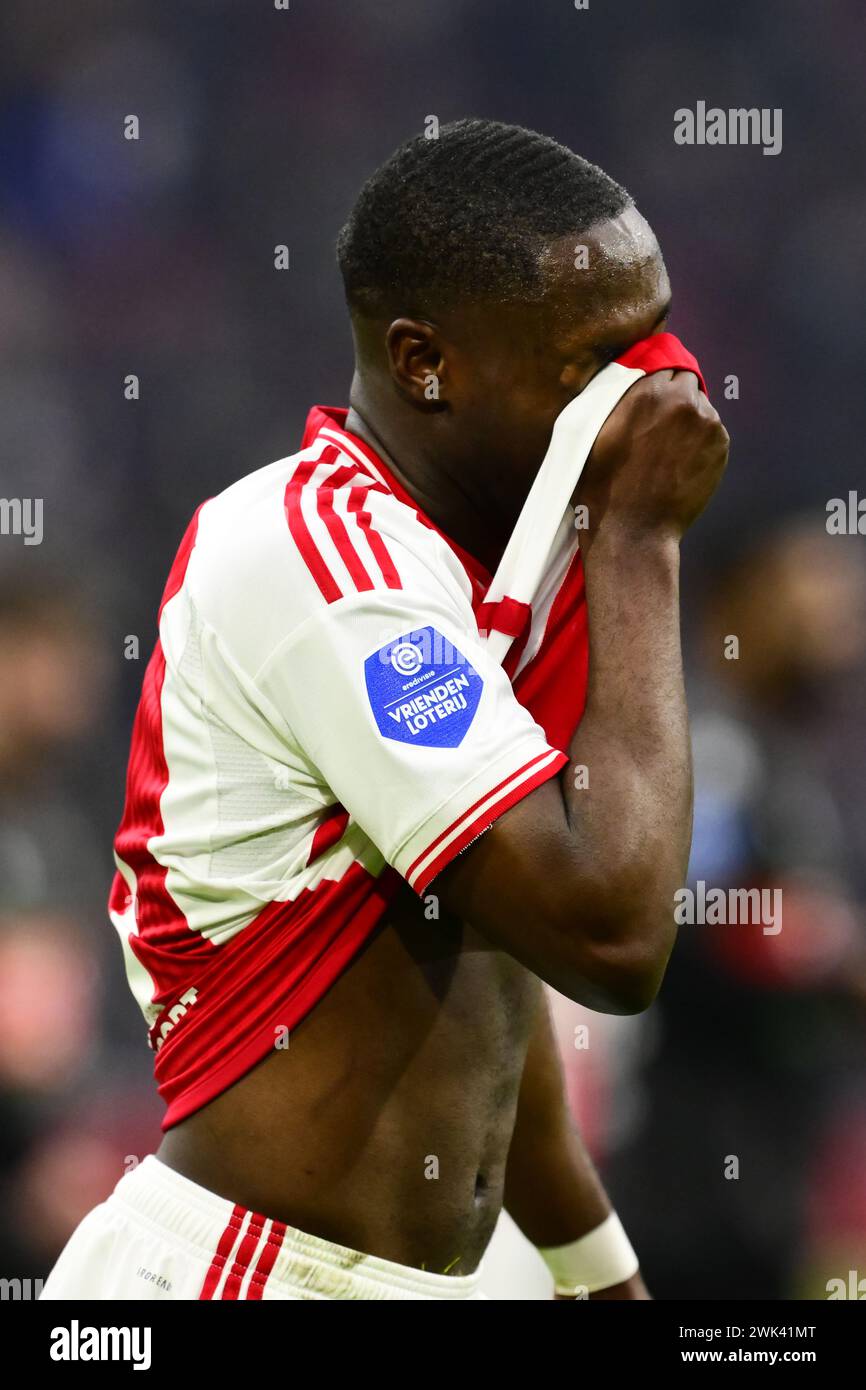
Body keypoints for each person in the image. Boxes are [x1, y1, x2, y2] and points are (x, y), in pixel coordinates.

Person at [41, 118, 728, 1300]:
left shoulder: (472, 573)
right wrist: (636, 537)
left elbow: (494, 964)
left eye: (656, 339)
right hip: (246, 1274)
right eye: (595, 363)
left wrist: (596, 1276)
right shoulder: (324, 560)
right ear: (425, 362)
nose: (656, 388)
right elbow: (608, 936)